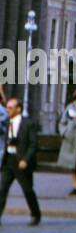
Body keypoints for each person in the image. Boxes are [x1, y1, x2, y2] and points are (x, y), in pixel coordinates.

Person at [0, 97, 40, 226]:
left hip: (21, 161)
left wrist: (25, 159)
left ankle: (35, 214)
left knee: (27, 189)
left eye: (11, 108)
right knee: (2, 189)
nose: (8, 110)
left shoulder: (28, 123)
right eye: (7, 108)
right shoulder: (6, 122)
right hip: (8, 160)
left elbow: (33, 144)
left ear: (19, 109)